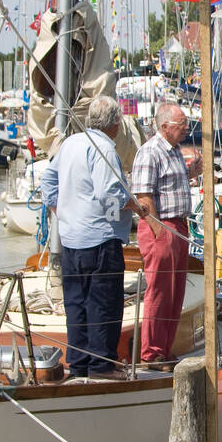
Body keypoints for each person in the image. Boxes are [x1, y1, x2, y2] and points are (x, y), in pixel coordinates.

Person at [40, 96, 136, 380]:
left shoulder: (70, 143)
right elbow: (109, 194)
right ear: (115, 124)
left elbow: (48, 182)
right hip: (99, 238)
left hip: (71, 237)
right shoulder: (103, 147)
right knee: (104, 301)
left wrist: (61, 208)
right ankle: (101, 365)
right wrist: (134, 204)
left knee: (76, 303)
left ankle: (79, 362)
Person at [130, 102, 193, 370]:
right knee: (159, 291)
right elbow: (144, 196)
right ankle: (152, 353)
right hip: (162, 226)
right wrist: (159, 233)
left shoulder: (175, 150)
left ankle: (164, 349)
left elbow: (170, 184)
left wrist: (192, 172)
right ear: (165, 127)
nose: (186, 130)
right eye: (182, 125)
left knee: (175, 292)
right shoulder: (150, 152)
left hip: (178, 225)